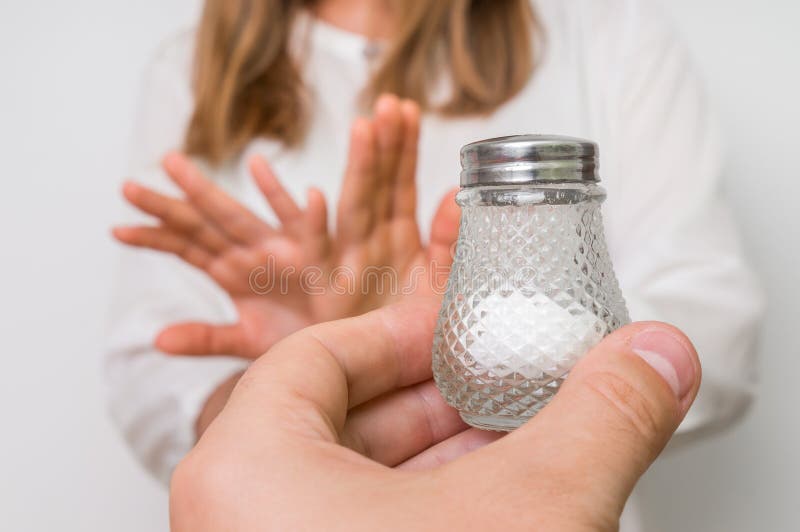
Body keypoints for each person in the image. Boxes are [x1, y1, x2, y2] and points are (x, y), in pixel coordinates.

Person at [106, 0, 763, 527]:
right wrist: (307, 369)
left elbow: (715, 329)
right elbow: (149, 378)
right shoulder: (190, 71)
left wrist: (465, 358)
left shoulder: (603, 31)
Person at [169, 301, 701, 531]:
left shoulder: (611, 65)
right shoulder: (183, 74)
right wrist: (248, 396)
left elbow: (711, 305)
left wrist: (574, 369)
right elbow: (149, 380)